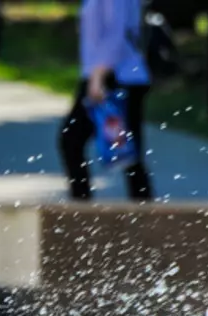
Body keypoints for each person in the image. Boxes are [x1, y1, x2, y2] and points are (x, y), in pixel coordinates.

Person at [58, 0, 154, 201]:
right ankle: (145, 214)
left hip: (113, 76)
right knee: (129, 152)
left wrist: (98, 76)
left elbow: (115, 33)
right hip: (118, 76)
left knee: (71, 139)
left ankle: (81, 210)